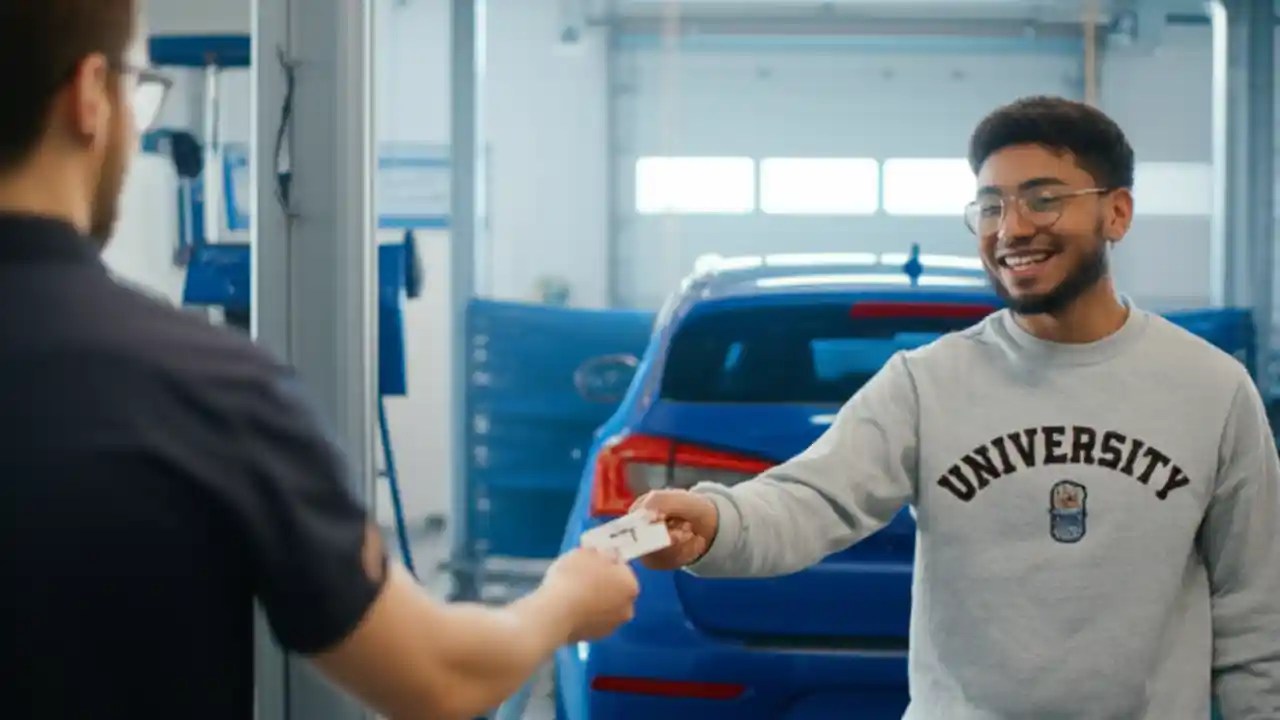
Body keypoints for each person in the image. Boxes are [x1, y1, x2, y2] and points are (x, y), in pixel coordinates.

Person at [0, 2, 638, 719]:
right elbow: (439, 677)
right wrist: (564, 602)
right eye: (134, 88)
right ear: (89, 95)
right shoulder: (206, 391)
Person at [636, 96, 1280, 719]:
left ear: (1116, 214)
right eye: (991, 205)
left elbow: (1259, 610)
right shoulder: (928, 383)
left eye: (1044, 199)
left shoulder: (1211, 389)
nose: (1013, 228)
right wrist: (715, 521)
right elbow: (810, 500)